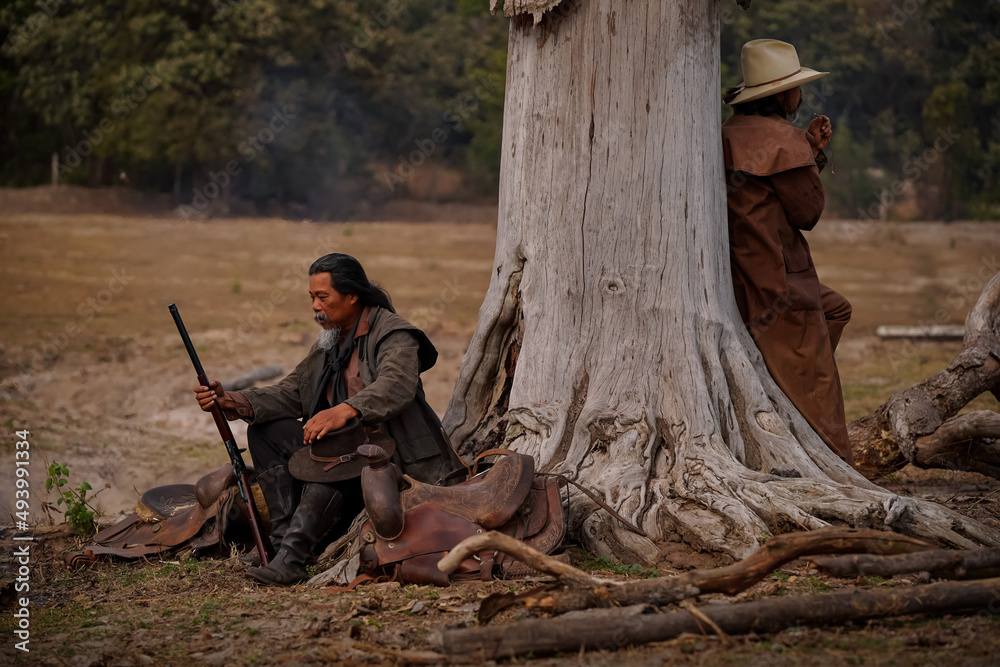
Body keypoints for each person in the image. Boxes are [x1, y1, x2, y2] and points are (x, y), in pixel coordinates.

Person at [194, 253, 461, 584]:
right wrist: (234, 400)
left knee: (333, 457)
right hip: (346, 451)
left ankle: (294, 558)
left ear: (352, 296)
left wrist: (346, 409)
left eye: (323, 297)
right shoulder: (331, 339)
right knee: (265, 431)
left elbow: (397, 384)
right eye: (311, 298)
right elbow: (294, 391)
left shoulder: (395, 334)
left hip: (392, 456)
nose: (314, 307)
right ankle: (279, 543)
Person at [722, 39, 855, 466]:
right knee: (816, 385)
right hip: (782, 284)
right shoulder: (785, 139)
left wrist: (808, 150)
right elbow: (808, 212)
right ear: (782, 95)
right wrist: (805, 151)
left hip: (737, 278)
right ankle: (836, 471)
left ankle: (781, 389)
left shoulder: (724, 132)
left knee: (836, 309)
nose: (800, 96)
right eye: (797, 87)